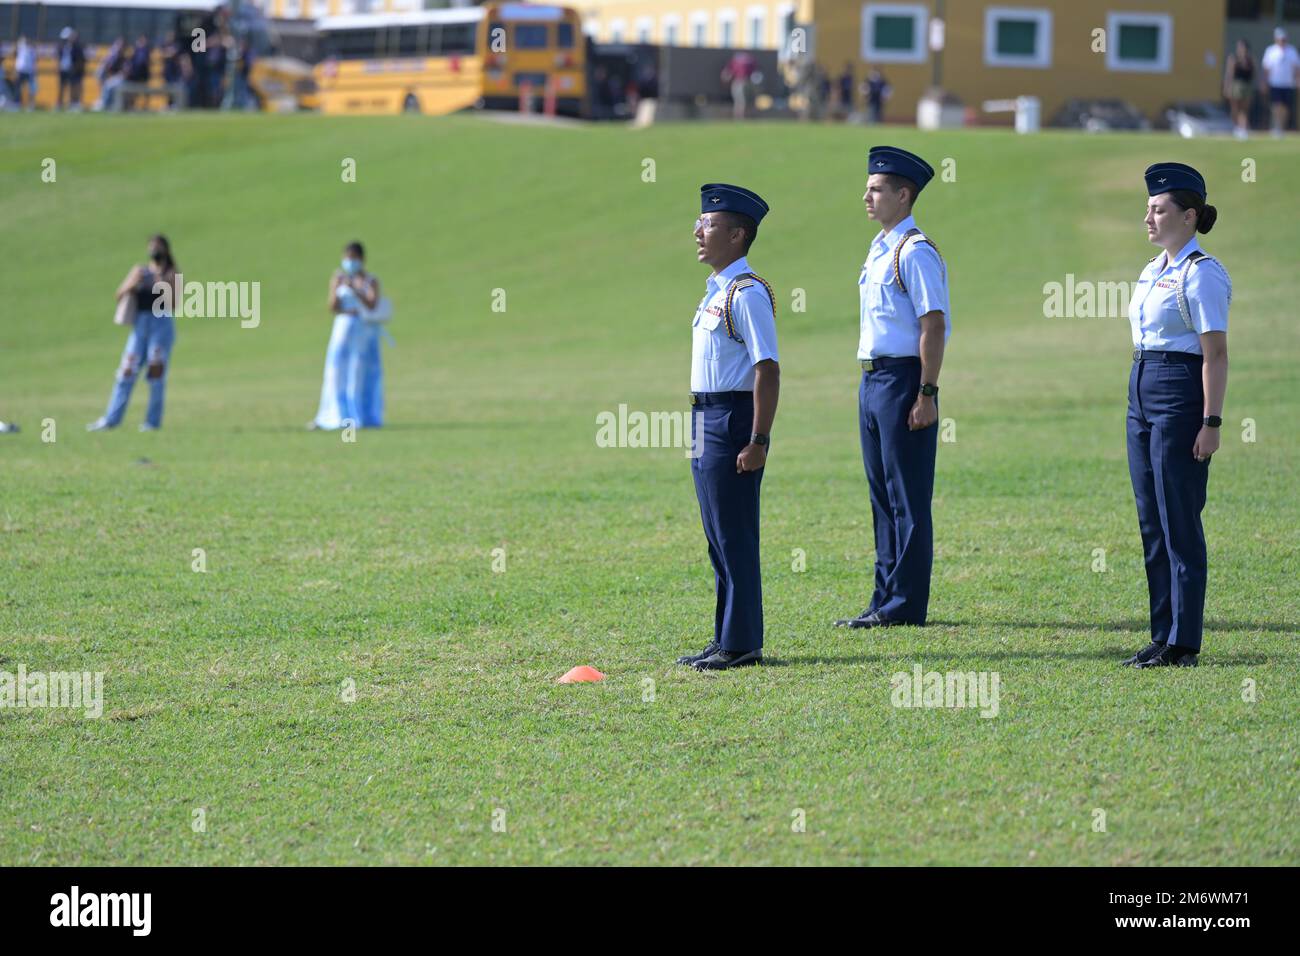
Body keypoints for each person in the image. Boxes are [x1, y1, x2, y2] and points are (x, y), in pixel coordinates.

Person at [1120, 164, 1230, 669]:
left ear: (1188, 217)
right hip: (1141, 390)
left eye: (1158, 209)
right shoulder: (1153, 270)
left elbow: (1215, 355)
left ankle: (1184, 640)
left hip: (1179, 392)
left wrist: (1211, 422)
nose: (1148, 216)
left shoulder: (1201, 273)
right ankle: (1161, 632)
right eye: (1148, 208)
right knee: (1151, 520)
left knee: (1178, 517)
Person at [836, 146, 949, 631]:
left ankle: (904, 605)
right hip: (873, 379)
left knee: (907, 495)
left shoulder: (914, 251)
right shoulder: (880, 247)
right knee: (881, 494)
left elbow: (934, 325)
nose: (867, 195)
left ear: (903, 195)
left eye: (877, 188)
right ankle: (883, 598)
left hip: (904, 380)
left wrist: (926, 392)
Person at [676, 185, 780, 671]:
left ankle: (742, 643)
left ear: (737, 235)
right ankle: (724, 638)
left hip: (733, 417)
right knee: (716, 534)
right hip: (704, 416)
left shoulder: (747, 292)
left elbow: (767, 367)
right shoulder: (715, 293)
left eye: (709, 224)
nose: (698, 231)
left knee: (735, 533)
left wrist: (759, 439)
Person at [88, 236, 180, 432]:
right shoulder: (140, 271)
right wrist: (133, 283)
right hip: (140, 326)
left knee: (156, 375)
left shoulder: (171, 273)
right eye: (152, 246)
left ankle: (152, 423)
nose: (154, 250)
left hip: (161, 325)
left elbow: (174, 304)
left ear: (166, 250)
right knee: (126, 372)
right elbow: (119, 294)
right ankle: (111, 419)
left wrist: (163, 284)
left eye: (158, 246)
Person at [310, 242, 385, 431]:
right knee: (335, 372)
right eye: (347, 258)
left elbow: (372, 305)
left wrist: (356, 289)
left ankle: (360, 415)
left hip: (363, 330)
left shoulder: (370, 281)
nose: (350, 262)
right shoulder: (339, 279)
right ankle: (333, 415)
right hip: (342, 329)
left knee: (359, 373)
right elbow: (332, 307)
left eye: (353, 258)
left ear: (362, 259)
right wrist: (336, 287)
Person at [1260, 27, 1300, 137]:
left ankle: (1281, 127)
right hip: (1275, 83)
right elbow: (1266, 69)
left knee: (1285, 107)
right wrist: (1264, 82)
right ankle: (1277, 126)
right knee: (1276, 106)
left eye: (1283, 39)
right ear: (1276, 39)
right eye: (1280, 39)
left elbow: (1297, 68)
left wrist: (1298, 80)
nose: (1282, 41)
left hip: (1288, 84)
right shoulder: (1270, 51)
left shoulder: (1292, 51)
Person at [1223, 39, 1255, 139]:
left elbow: (1253, 74)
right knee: (1235, 109)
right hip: (1236, 85)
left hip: (1246, 86)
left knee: (1244, 110)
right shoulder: (1233, 59)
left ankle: (1243, 128)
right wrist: (1227, 87)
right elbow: (1229, 74)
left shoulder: (1250, 60)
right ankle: (1237, 126)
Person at [56, 28, 86, 111]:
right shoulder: (62, 46)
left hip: (73, 70)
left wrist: (75, 68)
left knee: (74, 87)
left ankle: (73, 103)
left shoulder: (77, 47)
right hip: (63, 69)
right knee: (61, 87)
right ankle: (59, 104)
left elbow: (80, 59)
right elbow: (59, 57)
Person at [721, 51, 756, 120]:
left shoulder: (738, 60)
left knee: (741, 101)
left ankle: (740, 117)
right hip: (744, 81)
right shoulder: (748, 60)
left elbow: (727, 73)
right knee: (741, 101)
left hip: (740, 81)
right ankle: (741, 117)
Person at [14, 35, 36, 111]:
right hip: (20, 71)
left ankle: (31, 105)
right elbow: (15, 51)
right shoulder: (20, 48)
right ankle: (17, 104)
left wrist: (33, 71)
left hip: (29, 71)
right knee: (18, 88)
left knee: (31, 89)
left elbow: (34, 61)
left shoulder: (31, 49)